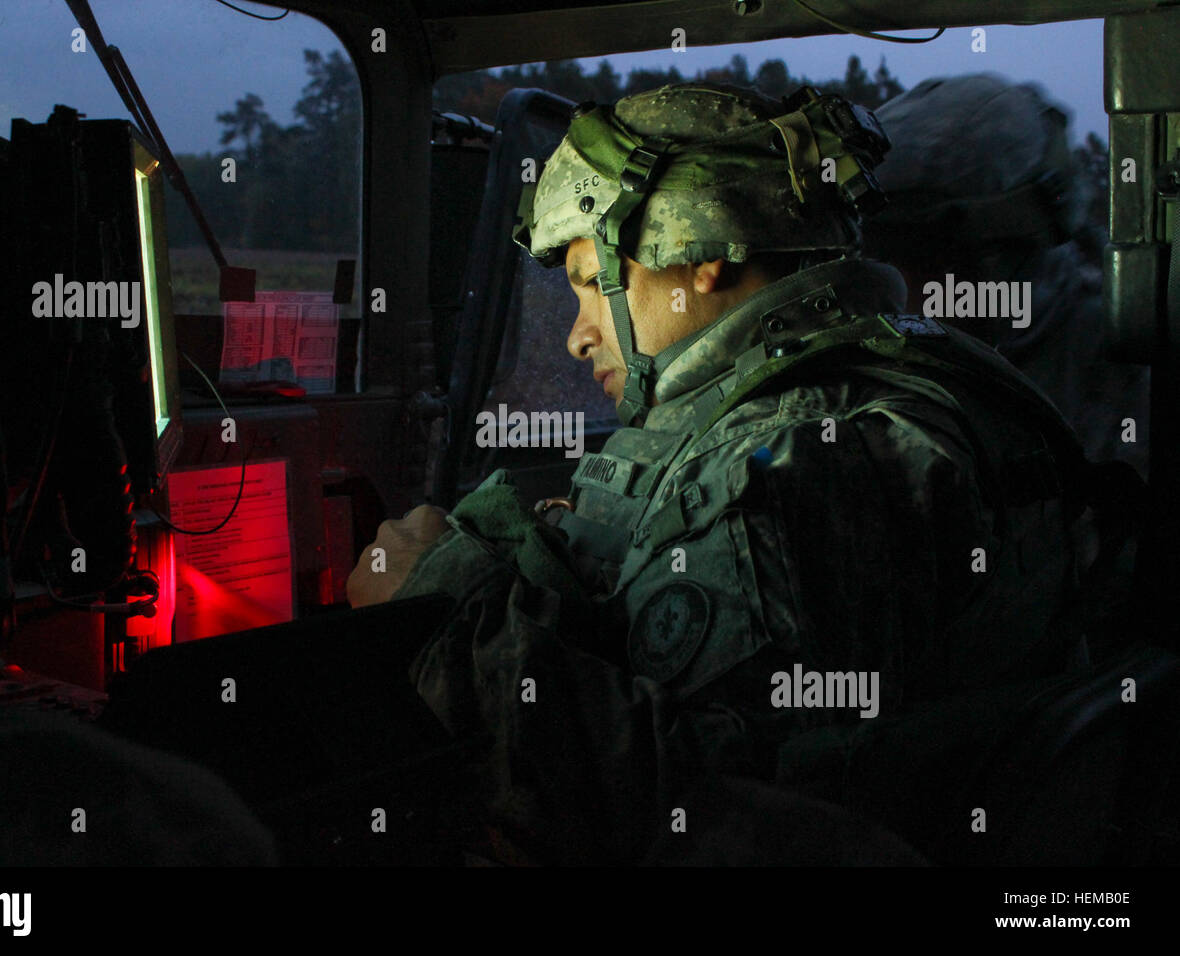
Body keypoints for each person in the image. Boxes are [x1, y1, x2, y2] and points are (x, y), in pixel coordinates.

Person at [347, 82, 1096, 864]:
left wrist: (441, 606)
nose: (577, 337)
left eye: (586, 280)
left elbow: (686, 809)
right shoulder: (934, 381)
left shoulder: (776, 468)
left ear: (698, 257)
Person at [863, 73, 1150, 481]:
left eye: (929, 256)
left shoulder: (1126, 372)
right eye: (880, 257)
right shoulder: (869, 366)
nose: (904, 291)